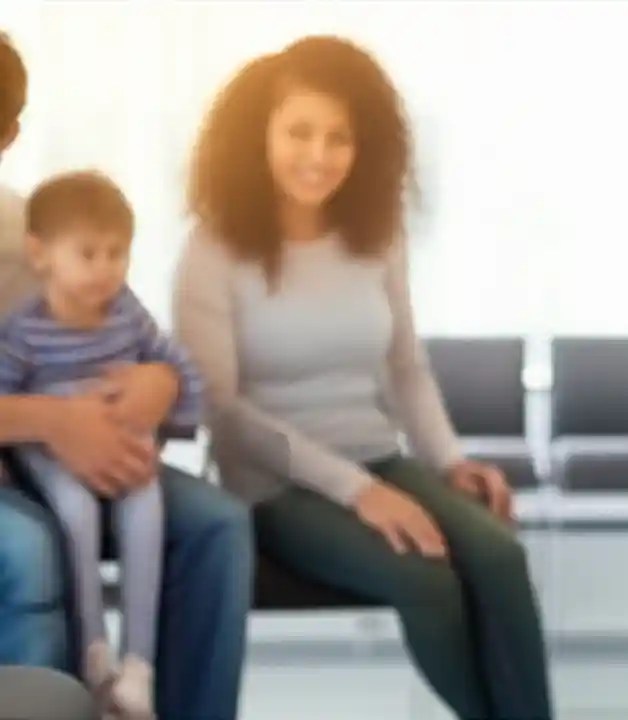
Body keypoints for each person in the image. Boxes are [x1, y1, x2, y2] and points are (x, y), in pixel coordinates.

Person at [174, 35, 553, 720]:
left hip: (379, 457)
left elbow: (406, 367)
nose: (318, 155)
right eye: (299, 131)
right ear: (258, 133)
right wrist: (360, 494)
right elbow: (222, 411)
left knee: (500, 555)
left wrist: (449, 462)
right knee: (427, 580)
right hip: (275, 485)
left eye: (338, 137)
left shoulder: (378, 233)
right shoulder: (212, 248)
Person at [0, 33, 251, 720]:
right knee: (33, 543)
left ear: (9, 132)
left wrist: (159, 387)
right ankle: (82, 683)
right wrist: (51, 422)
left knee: (218, 527)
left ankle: (150, 694)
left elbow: (122, 329)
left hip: (65, 441)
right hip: (34, 451)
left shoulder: (35, 226)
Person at [0, 171, 204, 717]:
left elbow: (178, 368)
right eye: (88, 255)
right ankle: (93, 650)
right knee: (73, 515)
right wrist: (52, 425)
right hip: (45, 451)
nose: (104, 269)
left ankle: (138, 666)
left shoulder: (127, 312)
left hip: (126, 441)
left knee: (160, 511)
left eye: (117, 254)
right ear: (41, 255)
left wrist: (164, 394)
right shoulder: (23, 331)